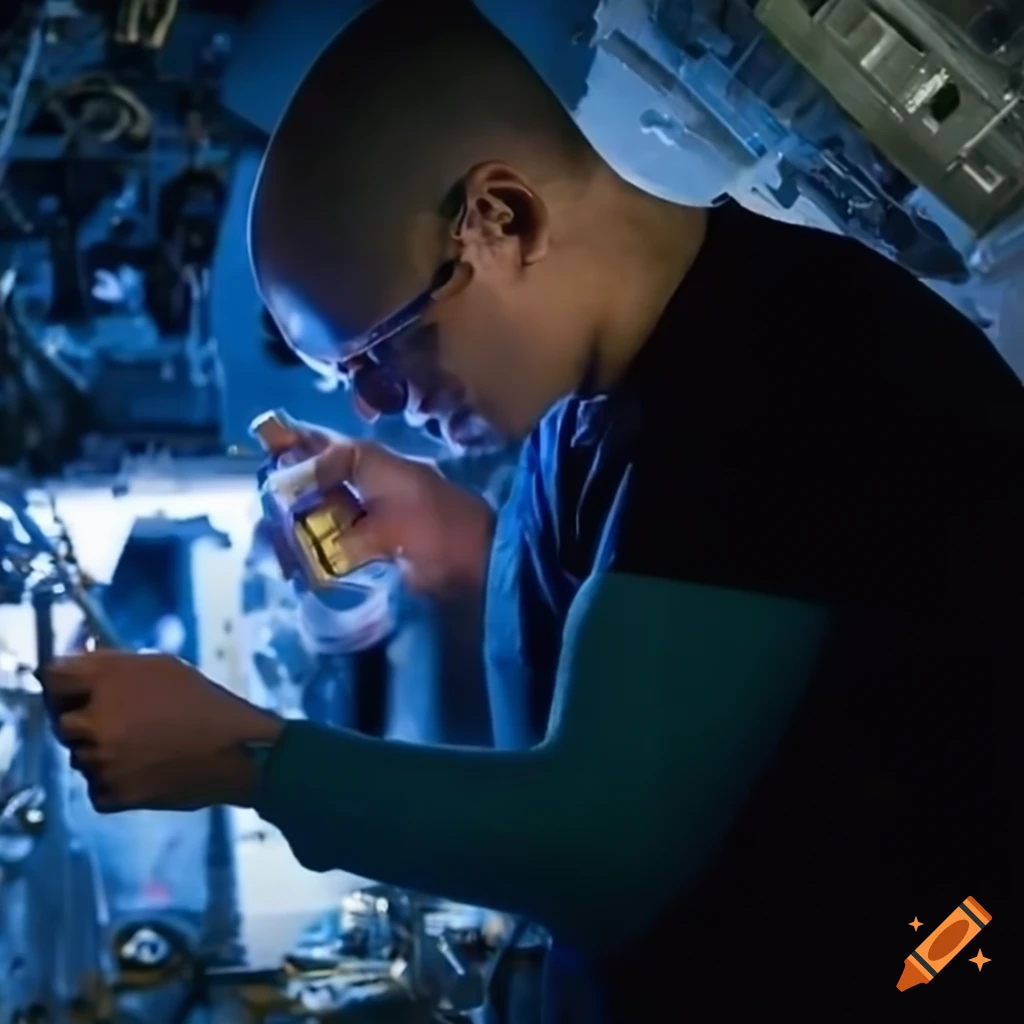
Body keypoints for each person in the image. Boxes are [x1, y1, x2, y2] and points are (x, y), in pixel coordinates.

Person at [42, 0, 1016, 1016]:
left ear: (502, 220)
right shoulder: (594, 406)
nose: (375, 403)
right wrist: (461, 548)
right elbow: (626, 674)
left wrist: (241, 757)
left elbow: (597, 853)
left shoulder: (790, 369)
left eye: (377, 350)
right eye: (346, 376)